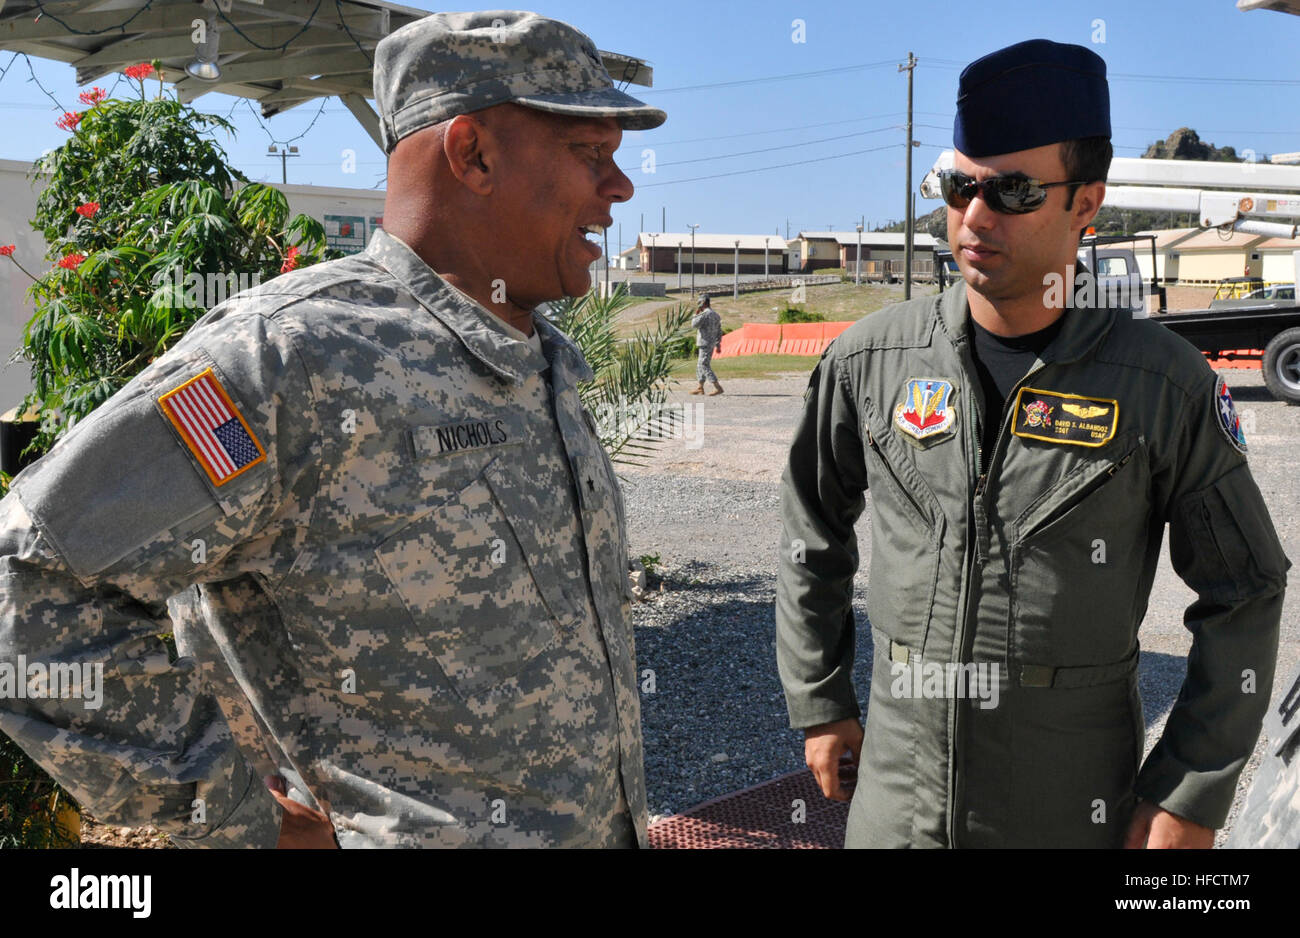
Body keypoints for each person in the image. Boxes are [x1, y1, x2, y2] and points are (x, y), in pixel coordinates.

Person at [0, 10, 666, 848]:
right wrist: (239, 810)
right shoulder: (286, 358)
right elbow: (29, 570)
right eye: (590, 155)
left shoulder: (543, 360)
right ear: (474, 155)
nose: (620, 189)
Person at [775, 39, 1288, 848]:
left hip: (1068, 808)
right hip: (895, 811)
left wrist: (1189, 791)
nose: (974, 217)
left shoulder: (1159, 384)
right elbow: (811, 526)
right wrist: (821, 699)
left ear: (1088, 201)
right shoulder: (871, 362)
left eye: (1013, 191)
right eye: (959, 186)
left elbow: (1245, 588)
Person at [691, 295, 723, 395]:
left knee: (704, 365)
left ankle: (718, 387)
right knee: (700, 365)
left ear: (703, 303)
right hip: (711, 343)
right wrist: (718, 344)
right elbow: (719, 331)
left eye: (699, 303)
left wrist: (695, 315)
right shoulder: (716, 315)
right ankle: (700, 387)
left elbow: (693, 325)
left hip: (704, 343)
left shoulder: (704, 314)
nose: (698, 305)